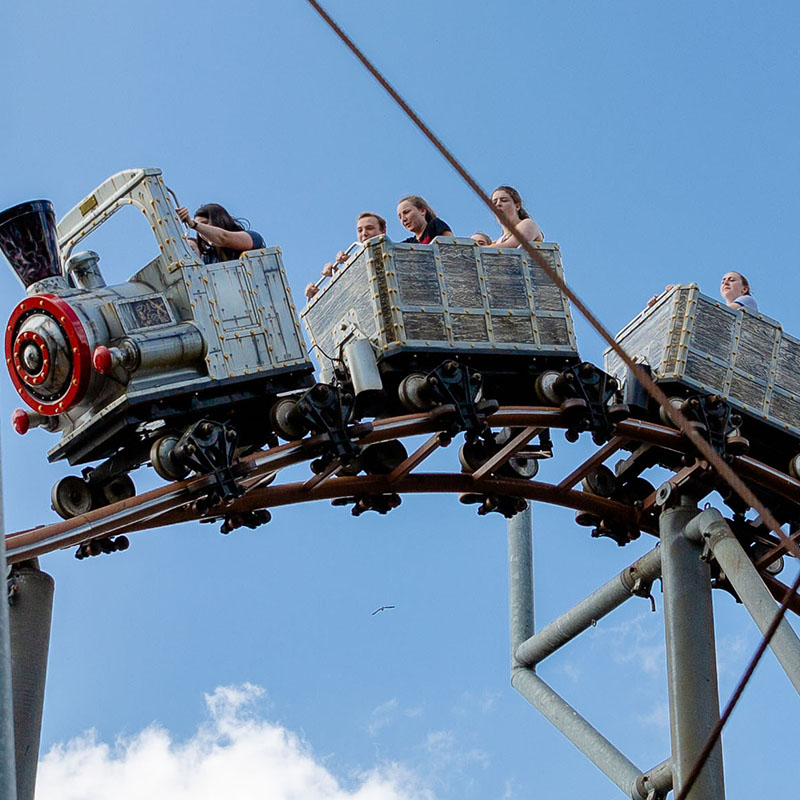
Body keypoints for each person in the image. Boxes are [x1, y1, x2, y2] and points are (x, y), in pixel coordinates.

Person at [305, 212, 387, 299]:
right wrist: (335, 274)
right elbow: (355, 293)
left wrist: (354, 263)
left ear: (383, 231)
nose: (364, 233)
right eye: (360, 230)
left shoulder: (392, 254)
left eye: (369, 228)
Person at [177, 203, 265, 264]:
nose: (201, 231)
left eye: (204, 224)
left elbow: (223, 238)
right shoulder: (209, 259)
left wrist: (194, 224)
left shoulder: (253, 237)